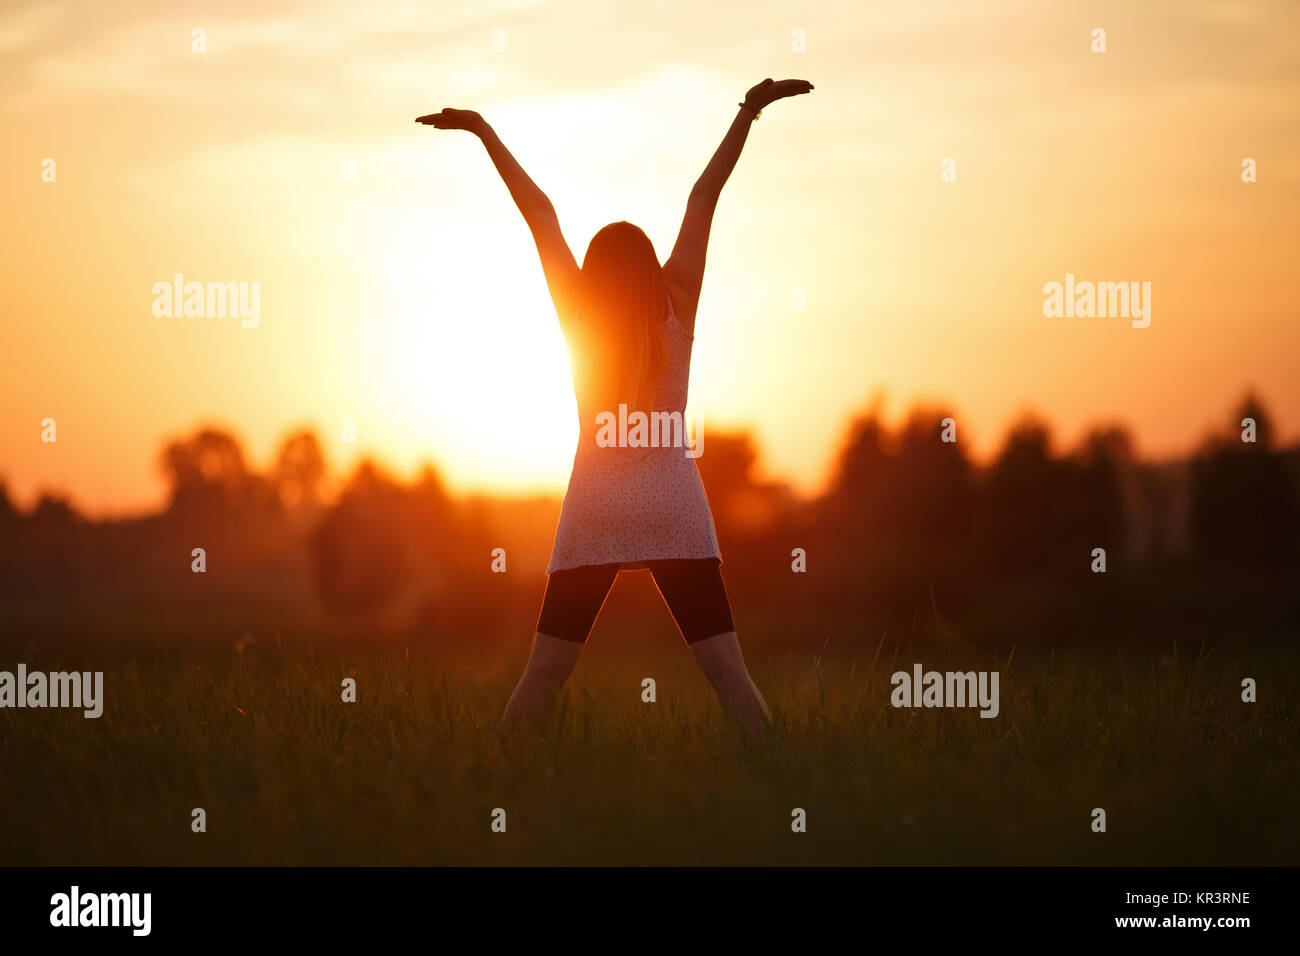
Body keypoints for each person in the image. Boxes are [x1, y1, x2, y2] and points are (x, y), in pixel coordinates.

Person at [416, 78, 813, 732]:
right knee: (727, 674)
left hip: (596, 505)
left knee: (545, 673)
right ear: (650, 266)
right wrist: (748, 111)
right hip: (673, 503)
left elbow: (539, 212)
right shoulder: (677, 303)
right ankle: (778, 772)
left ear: (595, 273)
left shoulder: (579, 314)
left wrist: (484, 131)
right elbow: (703, 197)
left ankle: (497, 768)